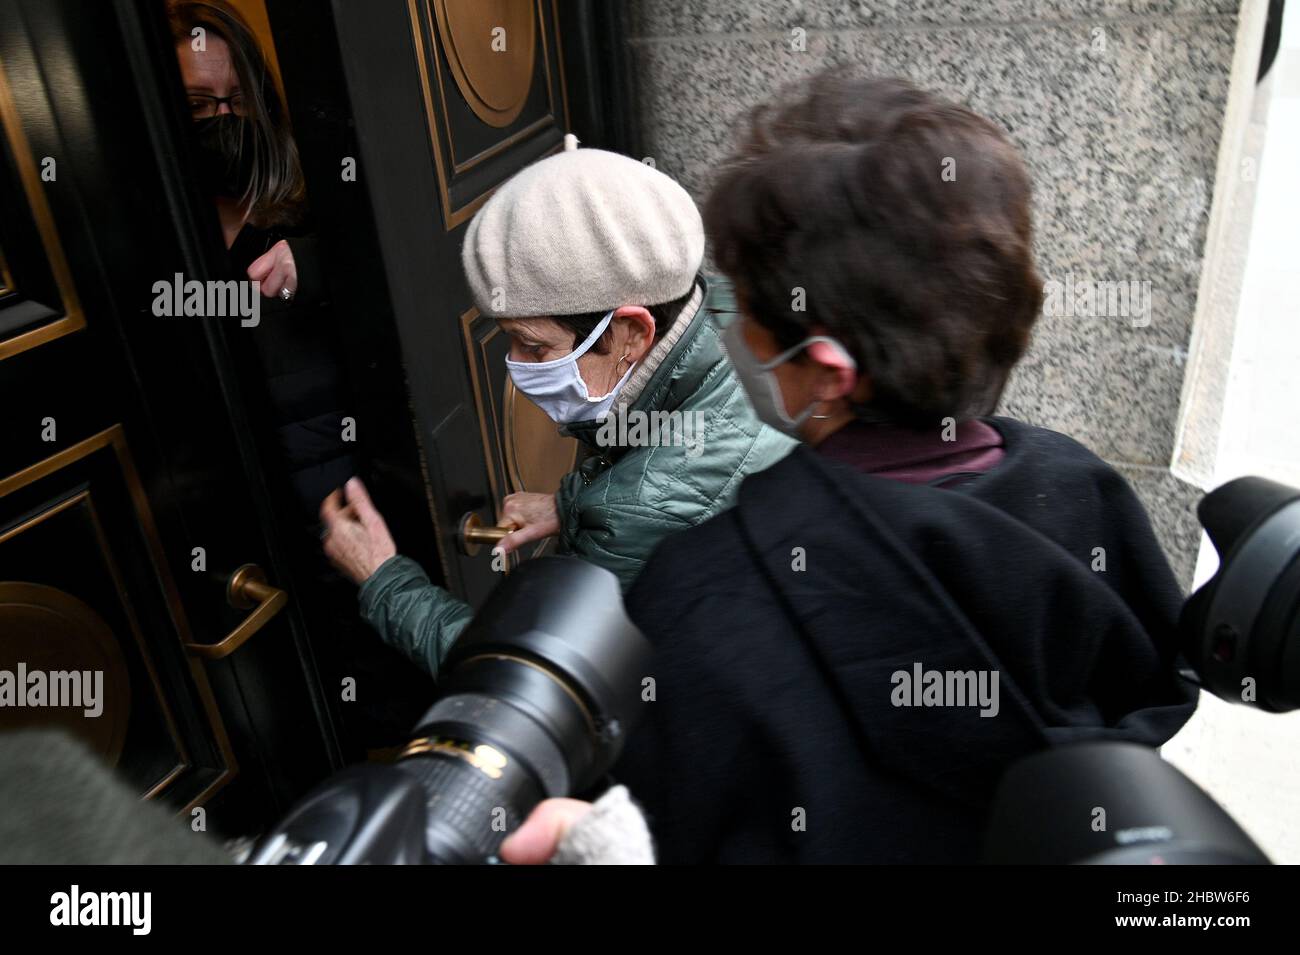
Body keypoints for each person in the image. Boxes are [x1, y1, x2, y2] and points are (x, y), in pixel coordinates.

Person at [565, 72, 1195, 864]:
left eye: (747, 313)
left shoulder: (700, 599)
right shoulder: (1085, 494)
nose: (734, 335)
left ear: (825, 370)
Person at [320, 137, 794, 680]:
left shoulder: (636, 511)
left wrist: (384, 580)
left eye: (533, 346)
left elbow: (535, 679)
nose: (516, 370)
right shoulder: (731, 307)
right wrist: (572, 505)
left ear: (631, 333)